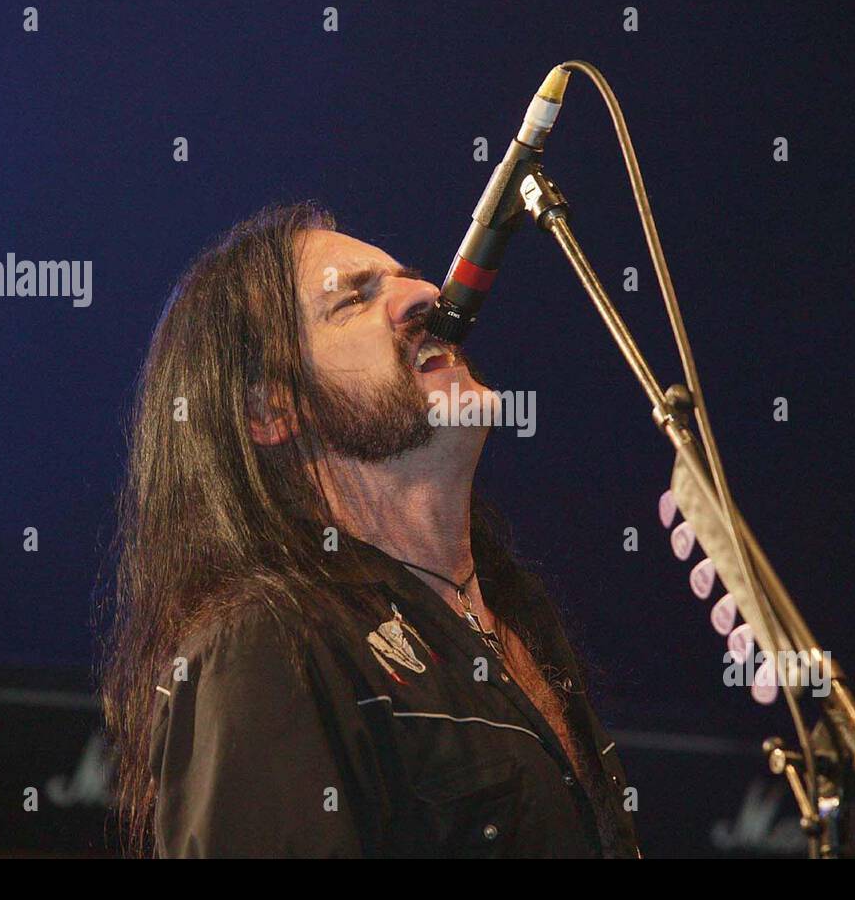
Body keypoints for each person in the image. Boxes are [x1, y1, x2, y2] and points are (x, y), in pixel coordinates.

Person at [100, 201, 640, 858]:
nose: (428, 295)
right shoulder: (268, 646)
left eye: (407, 276)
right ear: (274, 409)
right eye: (355, 299)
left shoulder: (521, 617)